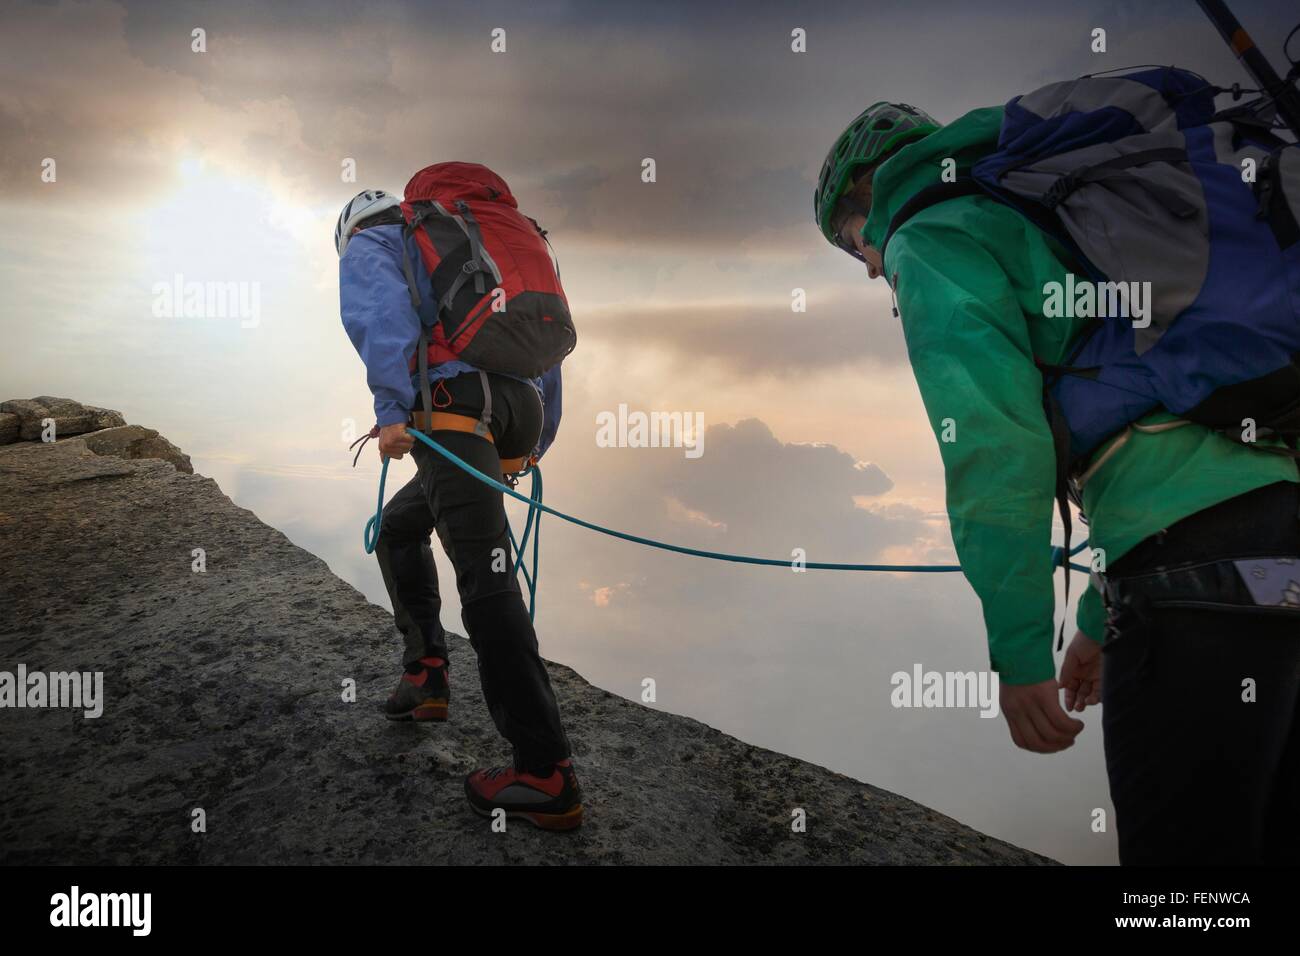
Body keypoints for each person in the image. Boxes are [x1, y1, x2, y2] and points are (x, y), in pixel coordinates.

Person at [814, 102, 1300, 864]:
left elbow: (993, 447)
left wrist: (1020, 657)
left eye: (853, 248)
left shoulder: (929, 231)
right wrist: (1104, 612)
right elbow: (1162, 398)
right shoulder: (1052, 201)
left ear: (864, 202)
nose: (873, 268)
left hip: (1188, 576)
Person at [336, 175, 582, 831]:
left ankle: (545, 771)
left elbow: (379, 315)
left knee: (486, 576)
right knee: (398, 528)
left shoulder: (376, 239)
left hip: (452, 411)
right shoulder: (476, 242)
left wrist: (392, 408)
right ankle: (427, 676)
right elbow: (544, 348)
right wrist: (537, 438)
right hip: (513, 412)